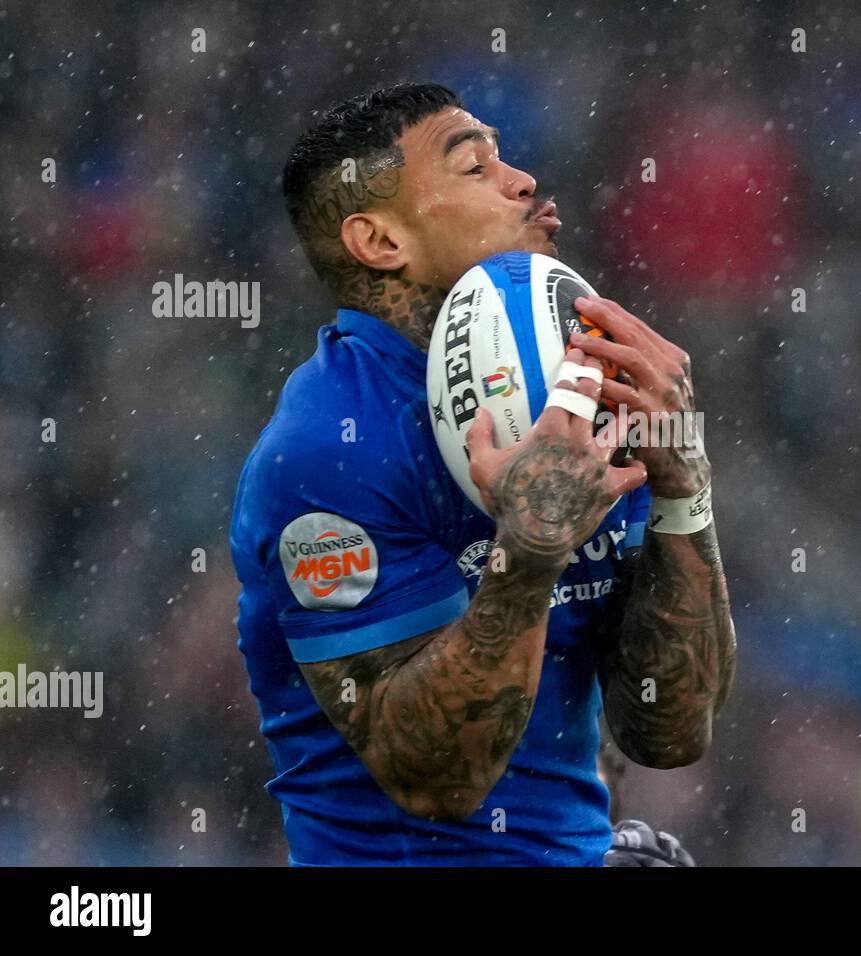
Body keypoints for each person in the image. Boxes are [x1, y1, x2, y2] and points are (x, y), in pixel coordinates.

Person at [229, 82, 736, 865]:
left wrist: (682, 490)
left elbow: (667, 726)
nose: (523, 181)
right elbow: (437, 780)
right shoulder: (327, 448)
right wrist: (533, 544)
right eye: (474, 168)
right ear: (380, 241)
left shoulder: (577, 380)